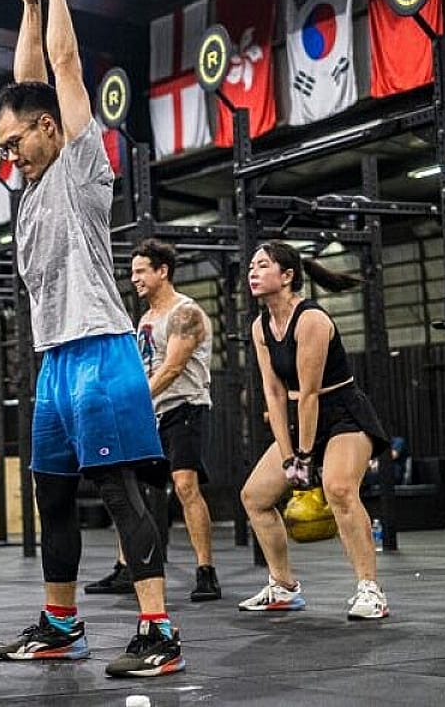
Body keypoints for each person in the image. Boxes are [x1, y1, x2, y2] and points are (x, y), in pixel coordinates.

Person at [0, 0, 183, 678]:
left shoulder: (79, 169)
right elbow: (27, 75)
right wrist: (29, 4)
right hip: (54, 362)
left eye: (15, 142)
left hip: (101, 352)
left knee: (119, 491)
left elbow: (62, 68)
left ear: (51, 130)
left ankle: (158, 631)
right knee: (53, 493)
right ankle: (62, 623)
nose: (7, 155)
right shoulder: (32, 187)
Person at [240, 241, 391, 620]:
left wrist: (304, 458)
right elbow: (274, 394)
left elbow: (309, 394)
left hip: (341, 413)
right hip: (297, 416)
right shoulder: (260, 326)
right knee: (254, 497)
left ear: (287, 275)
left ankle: (370, 589)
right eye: (251, 267)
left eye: (262, 266)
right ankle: (283, 586)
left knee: (338, 488)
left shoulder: (312, 320)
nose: (252, 273)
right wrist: (288, 455)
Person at [85, 239, 221, 602]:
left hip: (185, 408)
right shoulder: (146, 319)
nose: (135, 279)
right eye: (132, 273)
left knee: (185, 486)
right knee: (128, 487)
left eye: (141, 271)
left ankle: (205, 571)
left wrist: (132, 401)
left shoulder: (185, 313)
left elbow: (173, 367)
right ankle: (126, 567)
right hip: (152, 412)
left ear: (163, 271)